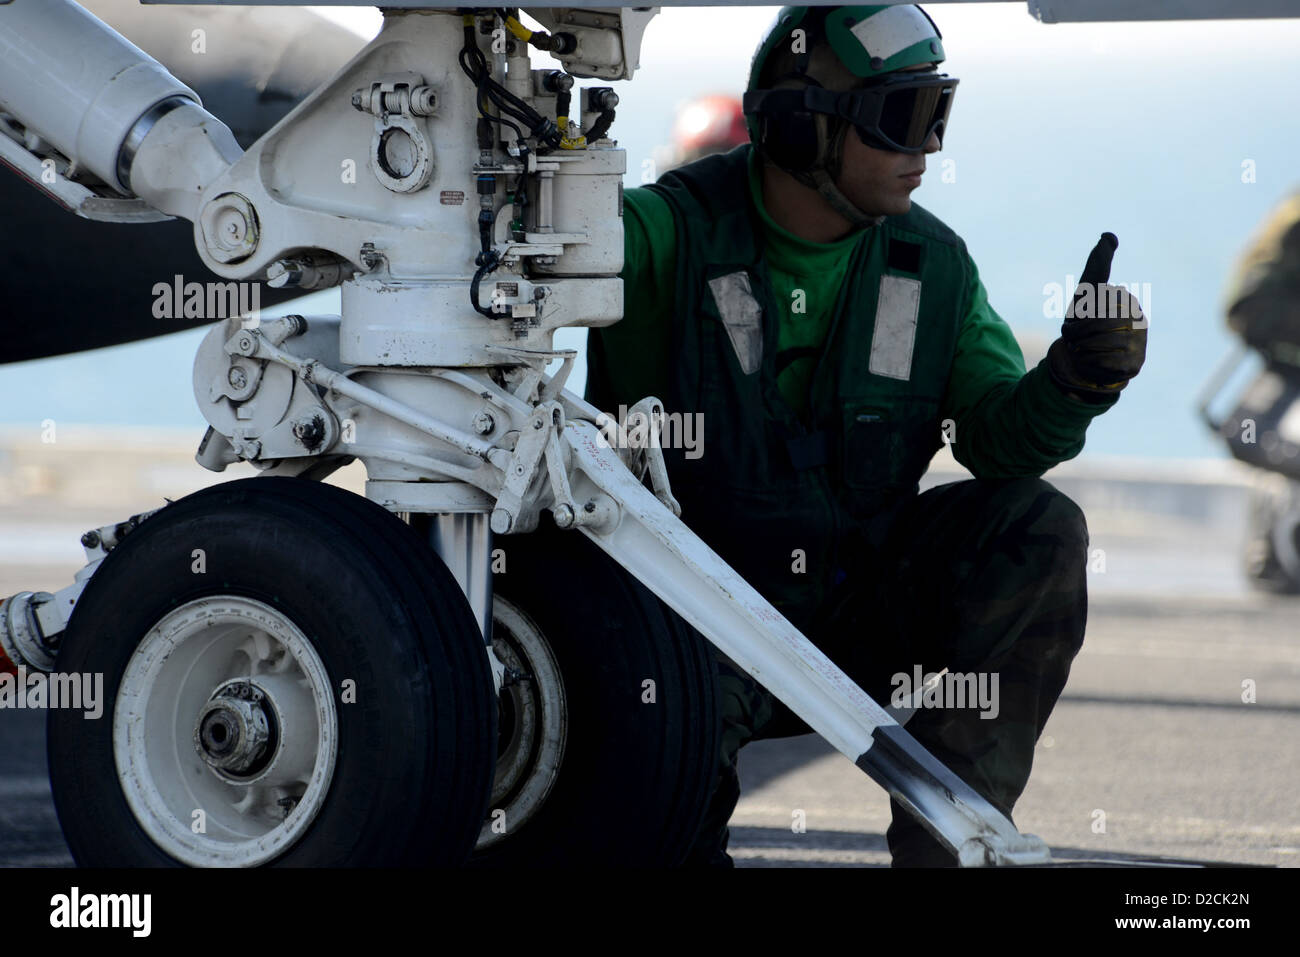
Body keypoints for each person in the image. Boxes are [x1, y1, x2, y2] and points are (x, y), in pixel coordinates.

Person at [584, 3, 1148, 867]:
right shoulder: (670, 232)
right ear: (807, 128)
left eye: (936, 116)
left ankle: (946, 839)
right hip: (690, 624)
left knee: (1037, 527)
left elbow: (997, 442)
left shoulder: (929, 266)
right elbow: (561, 255)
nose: (925, 152)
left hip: (853, 609)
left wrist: (1077, 381)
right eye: (902, 120)